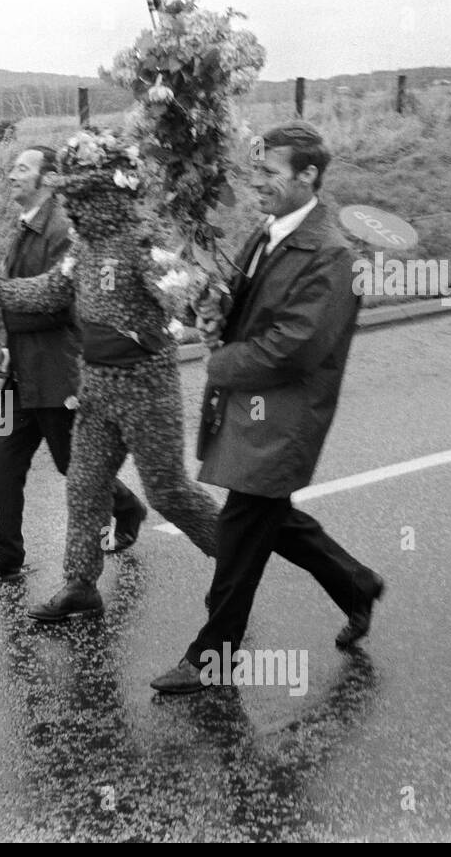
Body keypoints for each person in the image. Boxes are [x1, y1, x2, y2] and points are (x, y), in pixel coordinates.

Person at [150, 122, 385, 694]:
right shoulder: (268, 230)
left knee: (241, 529)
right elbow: (247, 301)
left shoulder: (332, 254)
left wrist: (223, 361)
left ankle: (214, 654)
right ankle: (355, 583)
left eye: (270, 173)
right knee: (267, 517)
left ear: (309, 176)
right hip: (254, 406)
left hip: (285, 413)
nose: (257, 183)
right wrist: (210, 311)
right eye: (254, 170)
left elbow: (296, 345)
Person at [0, 130, 220, 621]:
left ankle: (235, 558)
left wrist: (202, 298)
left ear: (107, 195)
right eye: (70, 197)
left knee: (167, 491)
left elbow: (179, 290)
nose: (73, 207)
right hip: (97, 388)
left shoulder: (139, 244)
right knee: (83, 486)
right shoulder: (82, 250)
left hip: (146, 389)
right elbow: (50, 291)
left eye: (81, 197)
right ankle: (80, 584)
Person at [0, 145, 146, 581]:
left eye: (23, 168)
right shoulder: (26, 226)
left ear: (48, 178)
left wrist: (2, 310)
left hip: (58, 374)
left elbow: (61, 304)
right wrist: (4, 342)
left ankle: (129, 508)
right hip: (22, 374)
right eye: (13, 167)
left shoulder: (62, 230)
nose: (12, 174)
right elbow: (20, 288)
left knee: (71, 464)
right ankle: (7, 553)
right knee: (6, 461)